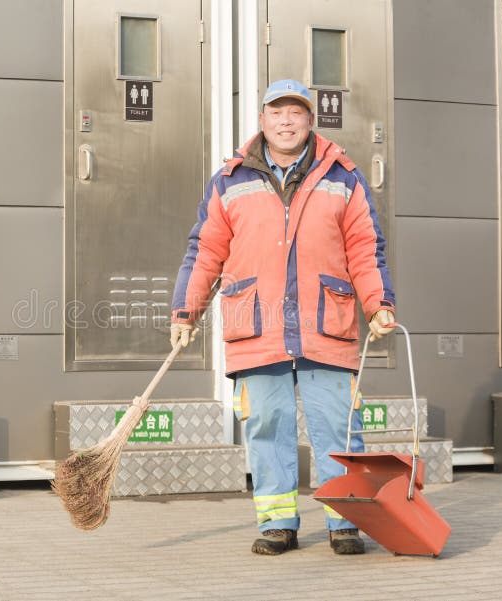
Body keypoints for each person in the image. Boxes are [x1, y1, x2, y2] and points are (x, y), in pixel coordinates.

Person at [170, 79, 395, 556]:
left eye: (296, 113)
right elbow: (205, 251)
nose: (287, 122)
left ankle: (345, 520)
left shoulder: (344, 176)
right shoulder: (230, 180)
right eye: (277, 113)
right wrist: (186, 310)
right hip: (257, 324)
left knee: (338, 427)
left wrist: (378, 305)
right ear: (262, 121)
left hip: (325, 323)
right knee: (266, 424)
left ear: (311, 121)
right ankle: (277, 523)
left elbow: (365, 248)